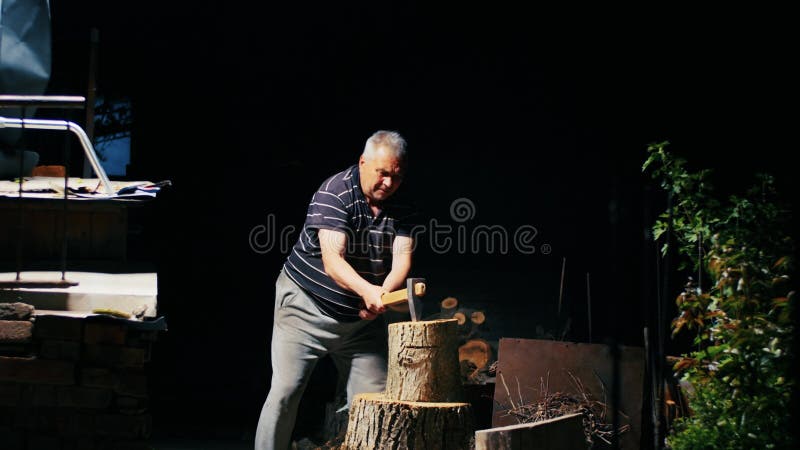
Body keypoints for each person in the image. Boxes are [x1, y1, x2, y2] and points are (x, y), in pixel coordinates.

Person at [255, 130, 417, 450]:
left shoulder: (406, 202)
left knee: (376, 400)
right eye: (382, 173)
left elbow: (402, 258)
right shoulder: (335, 192)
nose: (388, 183)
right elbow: (333, 261)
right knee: (286, 392)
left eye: (396, 177)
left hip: (358, 322)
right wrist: (368, 292)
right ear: (363, 162)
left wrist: (380, 296)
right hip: (303, 308)